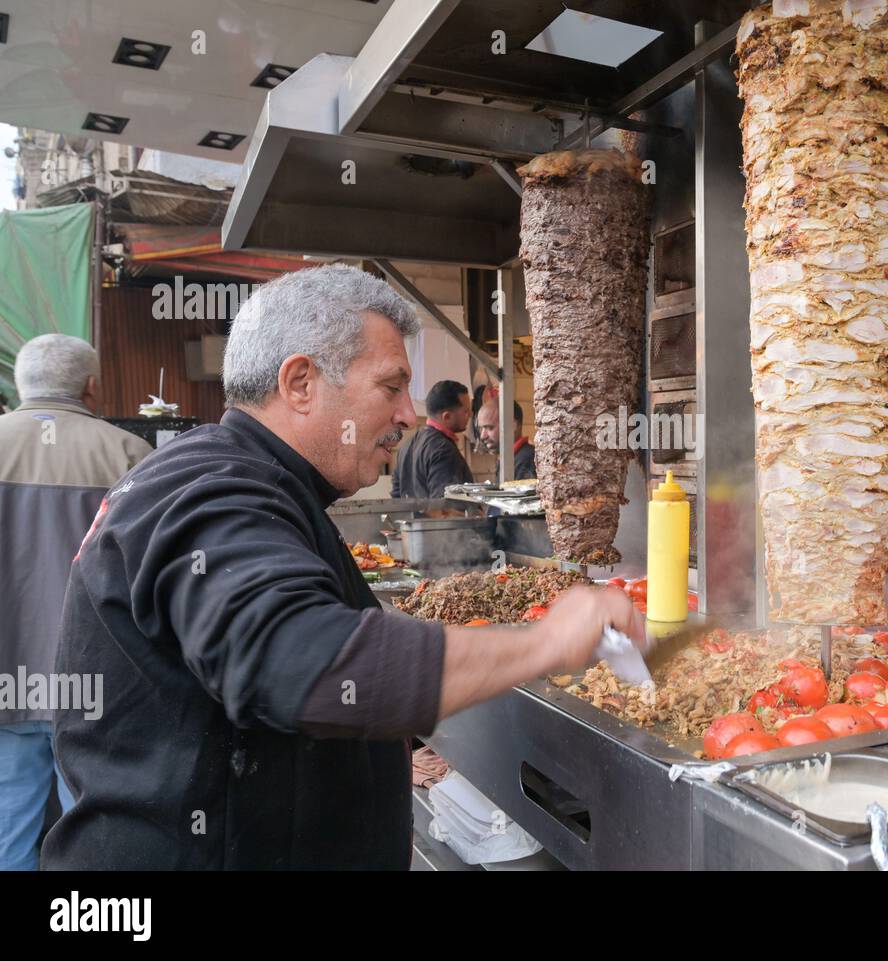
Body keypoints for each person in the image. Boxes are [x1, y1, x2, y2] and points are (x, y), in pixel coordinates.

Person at [41, 265, 640, 869]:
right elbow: (305, 663)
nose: (408, 415)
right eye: (390, 387)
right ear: (301, 382)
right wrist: (549, 641)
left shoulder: (257, 482)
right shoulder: (212, 488)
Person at [0, 334, 152, 870]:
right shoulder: (131, 456)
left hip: (6, 679)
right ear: (91, 387)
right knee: (91, 829)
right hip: (96, 683)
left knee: (8, 822)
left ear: (21, 385)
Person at [390, 379, 474, 498]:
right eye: (466, 411)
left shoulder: (407, 446)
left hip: (411, 516)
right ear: (447, 416)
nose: (470, 415)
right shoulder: (443, 449)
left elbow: (397, 496)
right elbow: (446, 506)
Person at [476, 399, 536, 480]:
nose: (482, 436)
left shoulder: (528, 460)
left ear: (512, 426)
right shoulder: (508, 458)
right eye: (481, 429)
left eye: (490, 428)